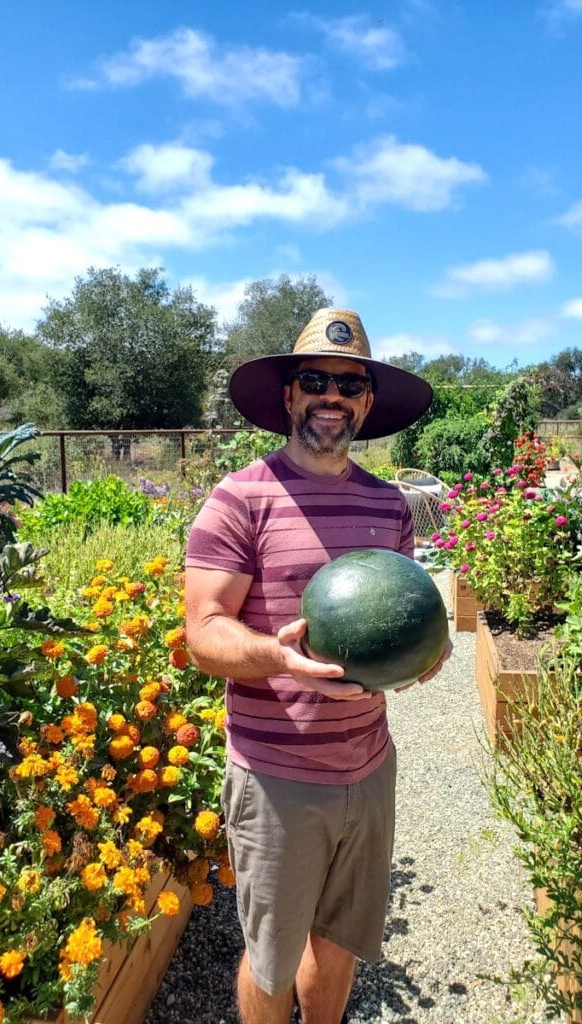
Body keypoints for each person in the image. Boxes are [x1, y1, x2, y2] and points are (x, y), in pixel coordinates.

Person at [185, 308, 453, 1024]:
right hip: (276, 779)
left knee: (338, 946)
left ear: (367, 403)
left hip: (369, 766)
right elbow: (203, 635)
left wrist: (429, 646)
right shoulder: (240, 498)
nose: (331, 396)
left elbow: (400, 612)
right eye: (315, 380)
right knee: (270, 961)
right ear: (289, 396)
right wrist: (277, 656)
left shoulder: (388, 504)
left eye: (348, 384)